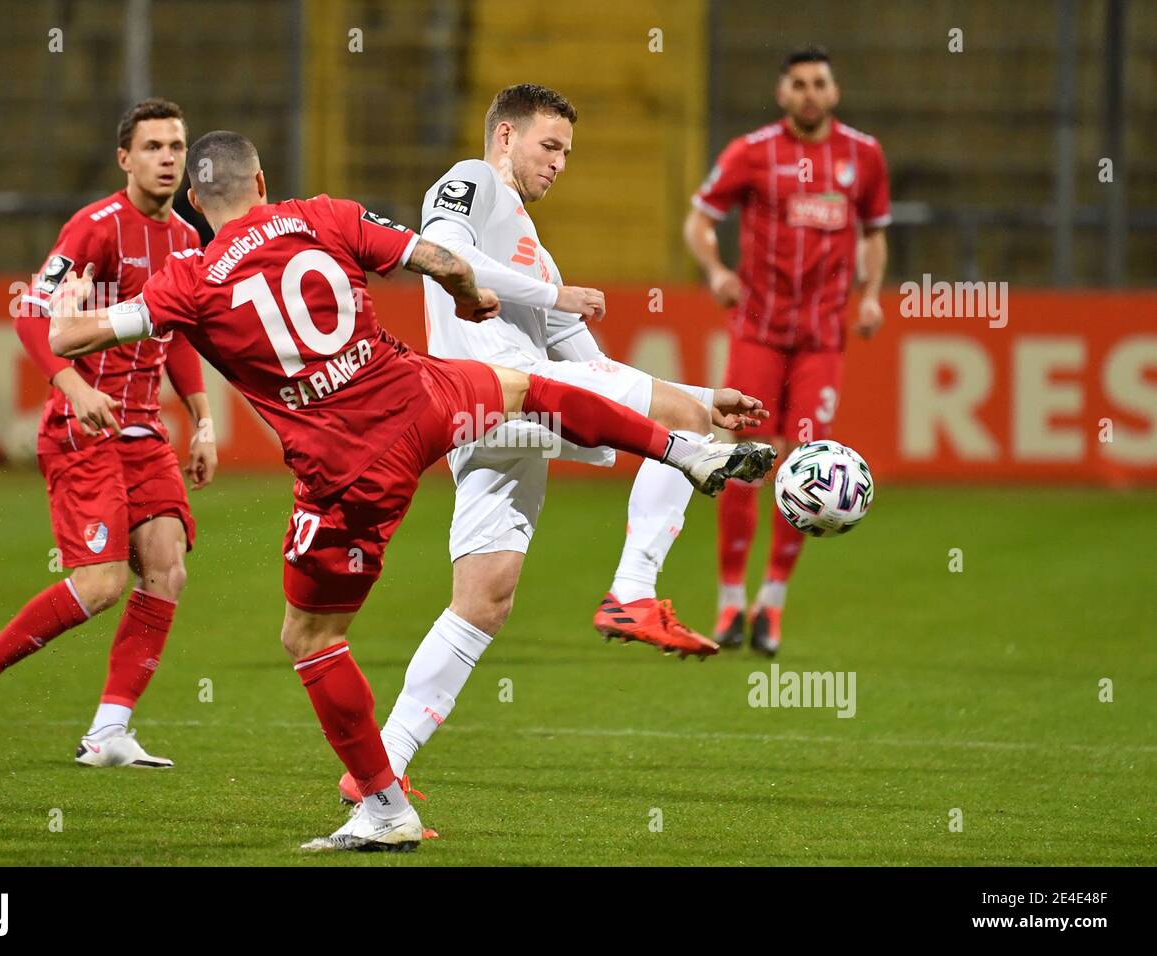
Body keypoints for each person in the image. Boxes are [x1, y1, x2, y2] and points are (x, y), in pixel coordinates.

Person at [45, 129, 771, 852]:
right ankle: (684, 452)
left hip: (349, 466)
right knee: (528, 390)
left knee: (311, 636)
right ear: (262, 182)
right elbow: (436, 256)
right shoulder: (317, 214)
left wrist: (64, 306)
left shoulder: (188, 279)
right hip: (417, 393)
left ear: (197, 203)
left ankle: (385, 807)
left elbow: (75, 341)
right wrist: (469, 293)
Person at [356, 84, 771, 804]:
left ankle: (380, 765)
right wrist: (558, 298)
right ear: (506, 135)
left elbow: (599, 370)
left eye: (568, 153)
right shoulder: (471, 181)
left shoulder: (537, 259)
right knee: (684, 433)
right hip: (492, 389)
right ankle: (632, 592)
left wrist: (703, 399)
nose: (559, 164)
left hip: (505, 419)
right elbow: (439, 253)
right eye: (549, 146)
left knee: (483, 600)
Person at [0, 98, 217, 767]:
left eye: (176, 146)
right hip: (80, 430)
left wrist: (203, 421)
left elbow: (175, 339)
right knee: (100, 582)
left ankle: (109, 731)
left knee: (167, 567)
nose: (168, 158)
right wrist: (73, 385)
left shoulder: (186, 241)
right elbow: (32, 313)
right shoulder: (95, 229)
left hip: (144, 432)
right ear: (125, 158)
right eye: (153, 147)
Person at [684, 46, 890, 655]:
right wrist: (716, 270)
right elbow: (698, 220)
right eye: (797, 83)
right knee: (745, 459)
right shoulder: (752, 152)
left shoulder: (864, 156)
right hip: (758, 331)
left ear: (834, 90)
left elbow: (875, 235)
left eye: (818, 83)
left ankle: (770, 604)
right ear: (782, 94)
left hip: (822, 339)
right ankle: (728, 602)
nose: (808, 93)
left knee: (810, 466)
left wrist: (872, 295)